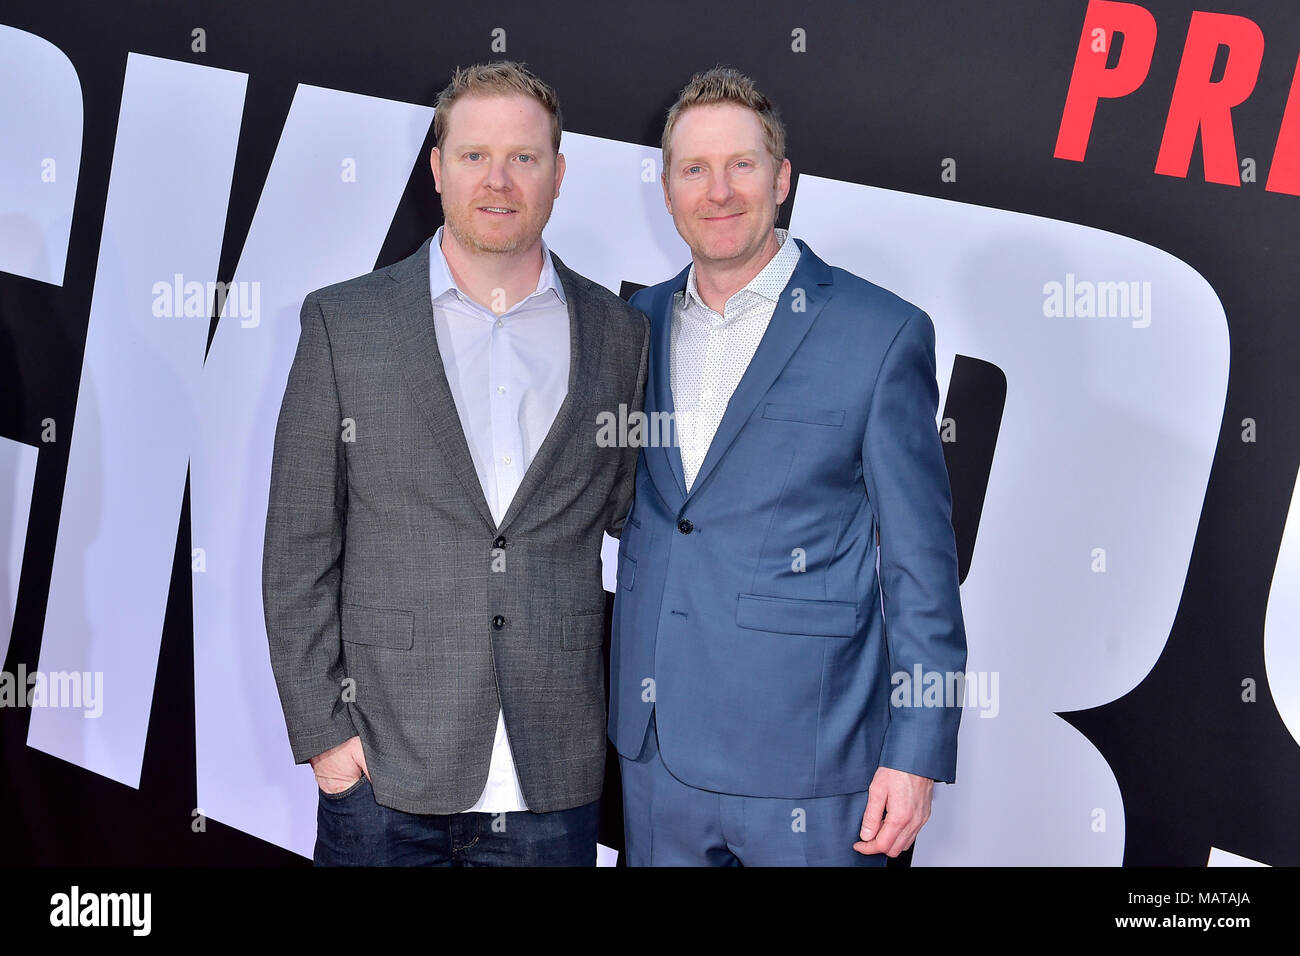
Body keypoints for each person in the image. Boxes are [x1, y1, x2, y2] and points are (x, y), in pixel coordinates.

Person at [263, 61, 649, 866]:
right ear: (437, 168)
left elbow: (630, 514)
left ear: (559, 174)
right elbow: (298, 547)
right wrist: (325, 740)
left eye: (524, 157)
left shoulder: (621, 336)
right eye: (473, 155)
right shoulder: (345, 323)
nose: (498, 180)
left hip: (553, 781)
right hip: (384, 777)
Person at [609, 66, 968, 866]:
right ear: (667, 190)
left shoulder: (881, 333)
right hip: (655, 754)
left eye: (742, 165)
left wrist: (917, 751)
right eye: (693, 169)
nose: (719, 191)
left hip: (813, 764)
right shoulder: (634, 322)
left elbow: (922, 567)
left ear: (783, 178)